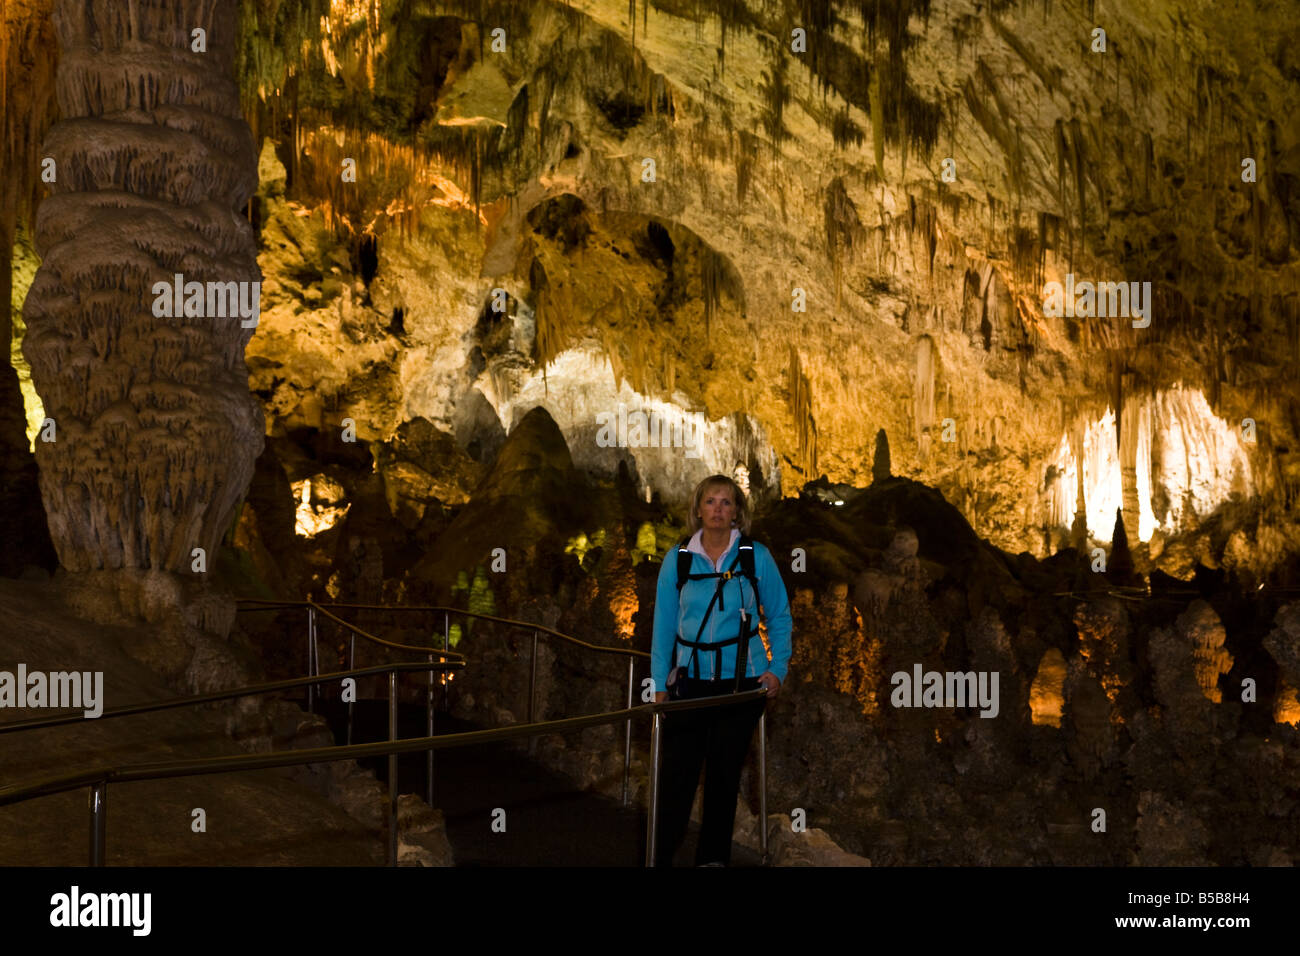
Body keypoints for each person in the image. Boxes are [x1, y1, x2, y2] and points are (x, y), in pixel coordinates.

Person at [651, 474, 792, 866]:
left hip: (741, 684)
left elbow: (779, 614)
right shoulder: (678, 559)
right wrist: (658, 683)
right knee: (678, 775)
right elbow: (663, 624)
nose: (718, 509)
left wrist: (777, 667)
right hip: (691, 681)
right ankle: (660, 854)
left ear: (737, 512)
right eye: (710, 502)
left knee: (724, 776)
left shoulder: (754, 556)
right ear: (698, 509)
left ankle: (711, 858)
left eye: (726, 503)